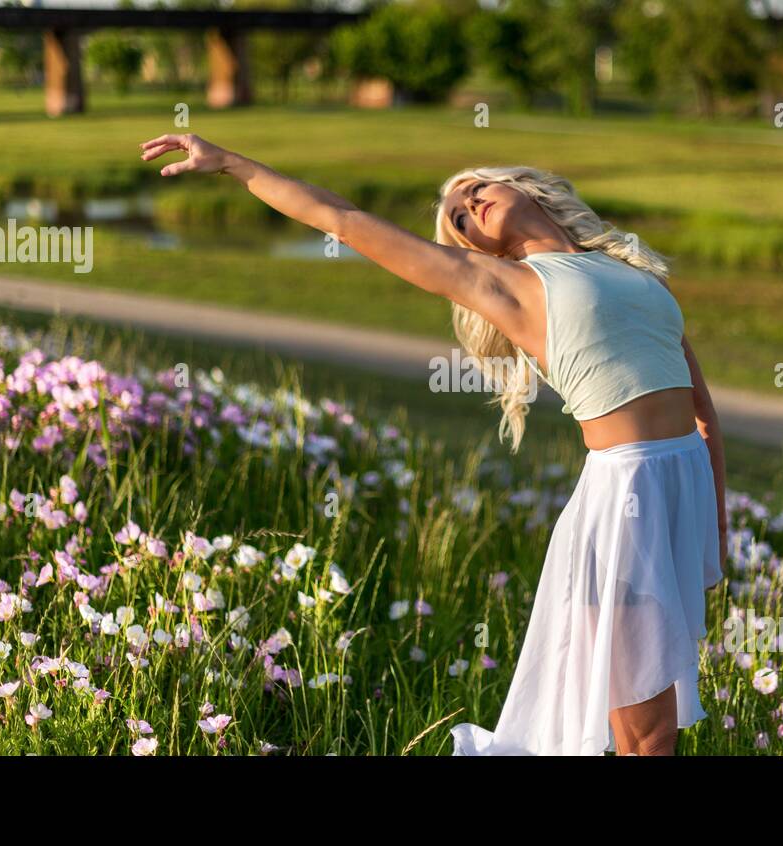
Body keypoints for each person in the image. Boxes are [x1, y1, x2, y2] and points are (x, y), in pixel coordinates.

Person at [139, 134, 729, 755]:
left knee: (652, 730)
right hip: (622, 506)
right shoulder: (503, 284)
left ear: (522, 186)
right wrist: (234, 164)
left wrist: (715, 520)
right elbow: (343, 219)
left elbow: (703, 410)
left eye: (477, 190)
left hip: (678, 492)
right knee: (649, 736)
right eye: (457, 216)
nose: (469, 206)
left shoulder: (631, 269)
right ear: (470, 247)